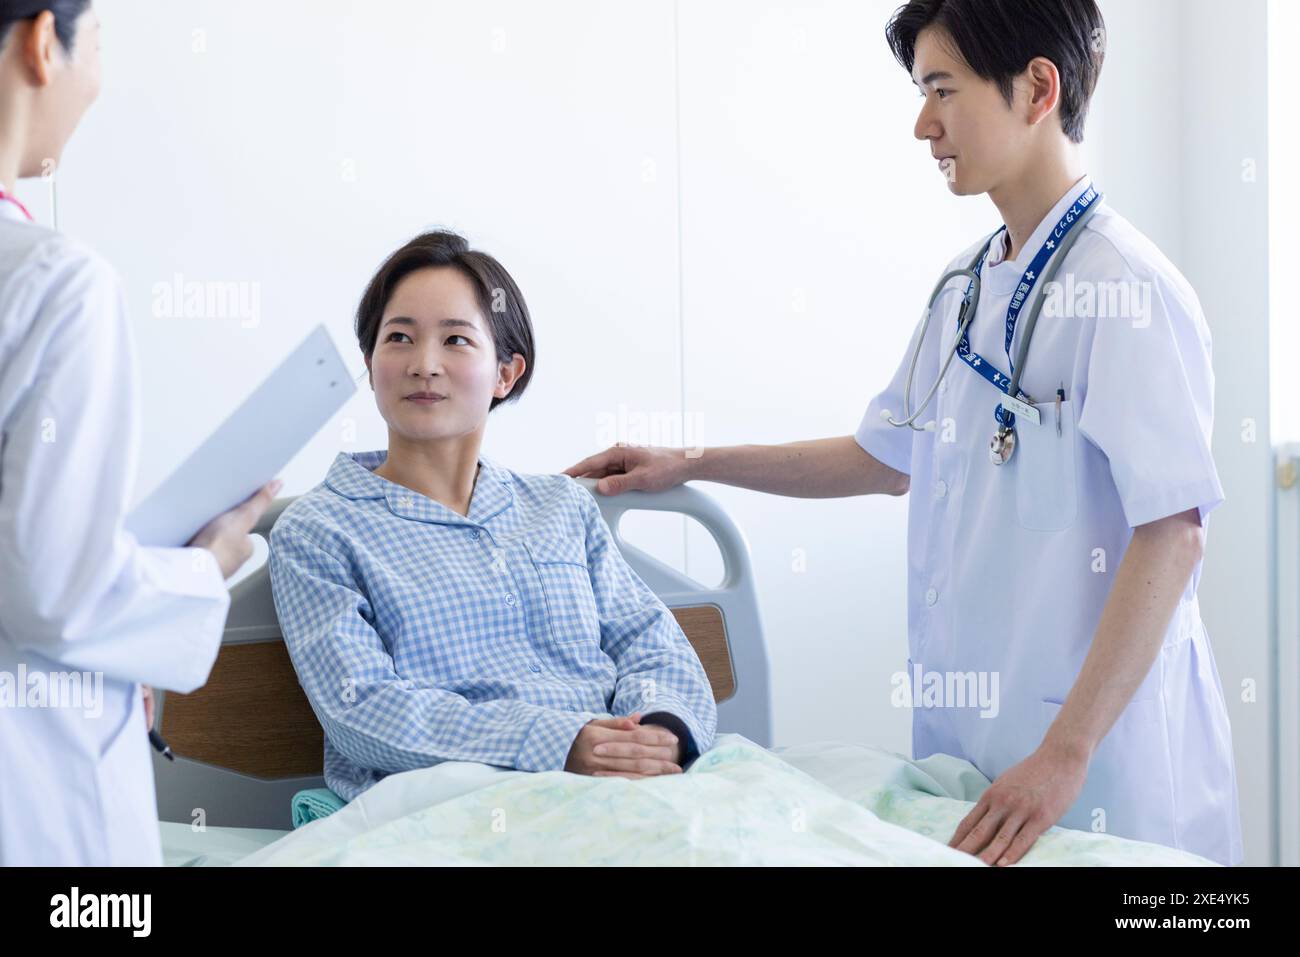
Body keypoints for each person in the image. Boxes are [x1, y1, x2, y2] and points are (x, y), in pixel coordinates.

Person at [566, 0, 1242, 866]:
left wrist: (1065, 754)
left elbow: (1173, 534)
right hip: (977, 757)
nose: (924, 124)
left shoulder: (1127, 290)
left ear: (1038, 88)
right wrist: (692, 461)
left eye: (943, 90)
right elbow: (886, 457)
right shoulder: (963, 287)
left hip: (1106, 768)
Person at [267, 230, 716, 801]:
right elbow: (364, 708)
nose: (424, 364)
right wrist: (559, 742)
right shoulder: (319, 532)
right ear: (371, 363)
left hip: (632, 786)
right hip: (457, 806)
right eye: (399, 337)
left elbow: (651, 643)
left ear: (506, 374)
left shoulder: (562, 507)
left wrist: (660, 733)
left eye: (456, 339)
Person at [0, 1, 277, 865]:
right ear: (45, 43)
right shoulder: (55, 284)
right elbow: (57, 591)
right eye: (102, 44)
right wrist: (211, 564)